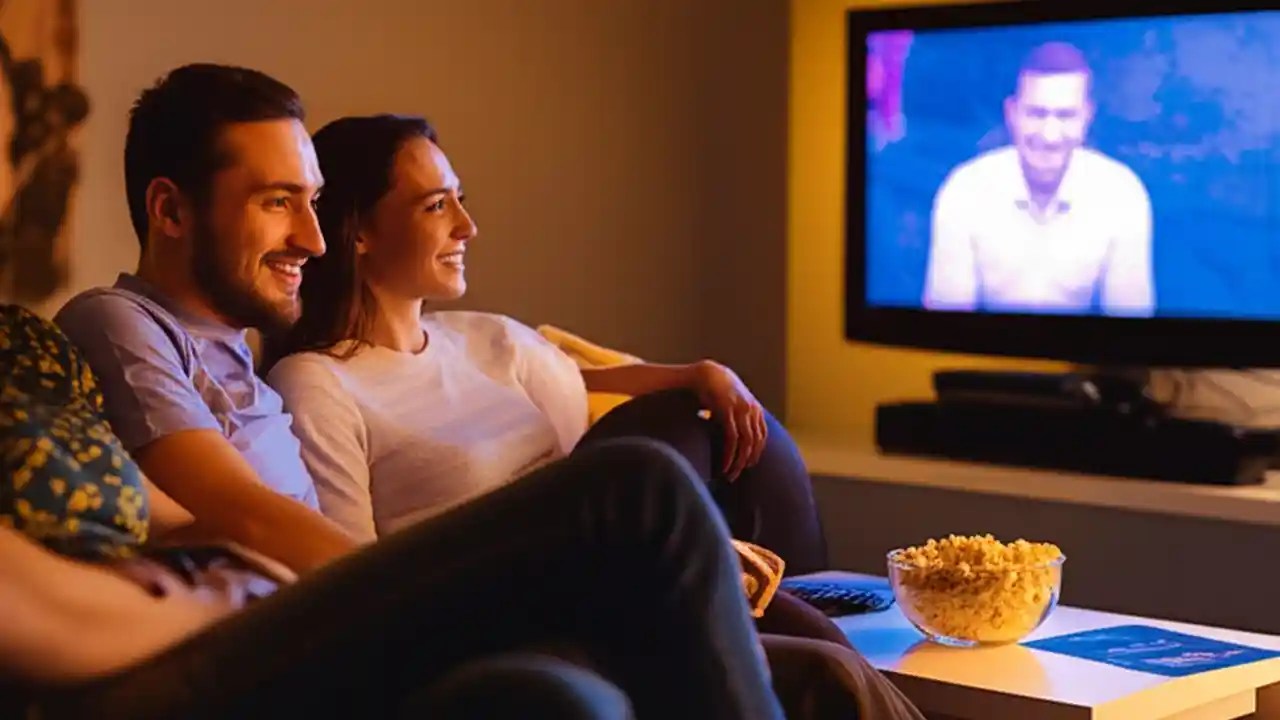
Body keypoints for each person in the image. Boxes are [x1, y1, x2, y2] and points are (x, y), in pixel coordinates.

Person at [47, 63, 924, 719]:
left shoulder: (243, 352)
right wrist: (467, 578)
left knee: (804, 671)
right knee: (640, 491)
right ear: (169, 211)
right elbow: (243, 510)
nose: (314, 238)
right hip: (287, 636)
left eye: (314, 202)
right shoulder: (120, 323)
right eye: (279, 203)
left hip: (329, 618)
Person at [263, 113, 828, 577]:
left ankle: (809, 601)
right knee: (648, 462)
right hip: (514, 588)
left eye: (460, 200)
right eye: (436, 206)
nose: (467, 226)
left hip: (601, 554)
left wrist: (705, 373)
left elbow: (590, 387)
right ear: (358, 231)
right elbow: (350, 578)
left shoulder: (487, 339)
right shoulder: (317, 382)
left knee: (720, 423)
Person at [921, 41, 1155, 317]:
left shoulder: (1122, 193)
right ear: (1012, 113)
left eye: (1066, 115)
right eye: (1036, 114)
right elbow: (947, 325)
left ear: (1087, 117)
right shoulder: (964, 189)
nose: (1050, 135)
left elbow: (1128, 330)